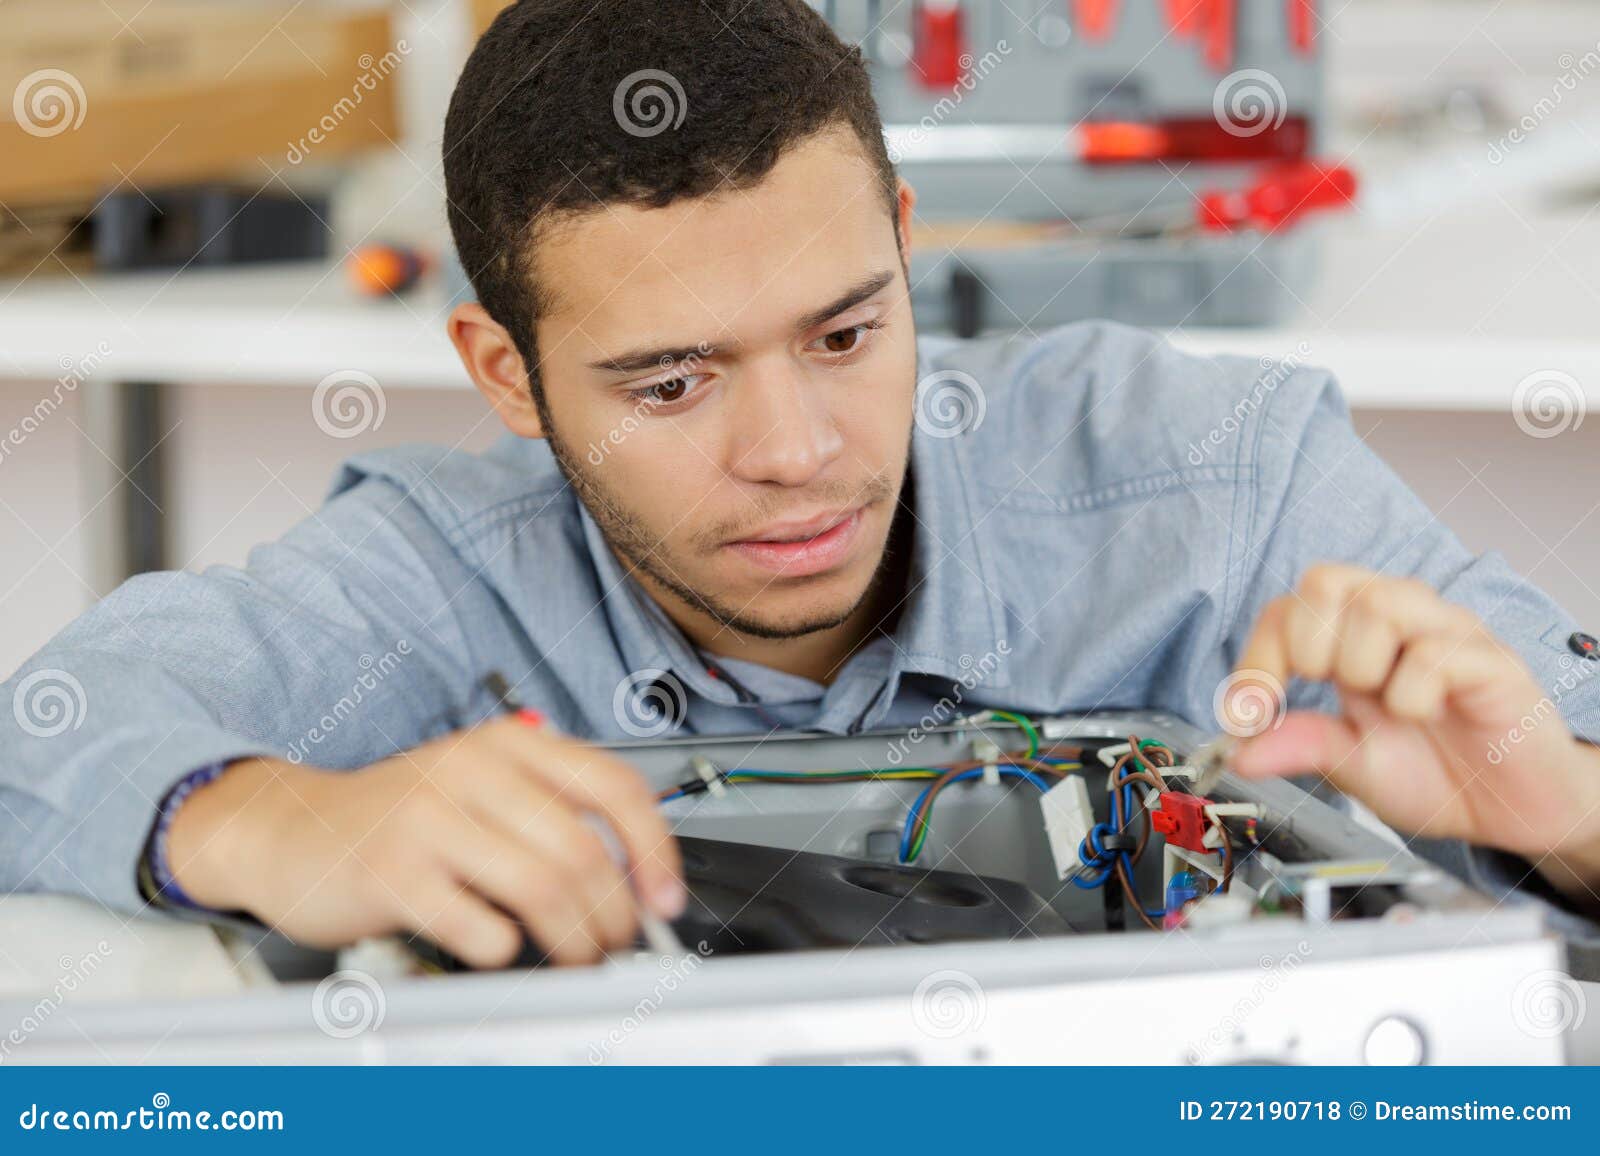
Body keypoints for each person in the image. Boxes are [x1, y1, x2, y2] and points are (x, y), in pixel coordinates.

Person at [3, 0, 1597, 970]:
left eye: (846, 330)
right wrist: (280, 821)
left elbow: (1558, 767)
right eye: (673, 381)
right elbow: (49, 729)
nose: (798, 449)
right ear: (506, 375)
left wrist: (1574, 821)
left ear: (906, 243)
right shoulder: (438, 576)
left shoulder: (1214, 479)